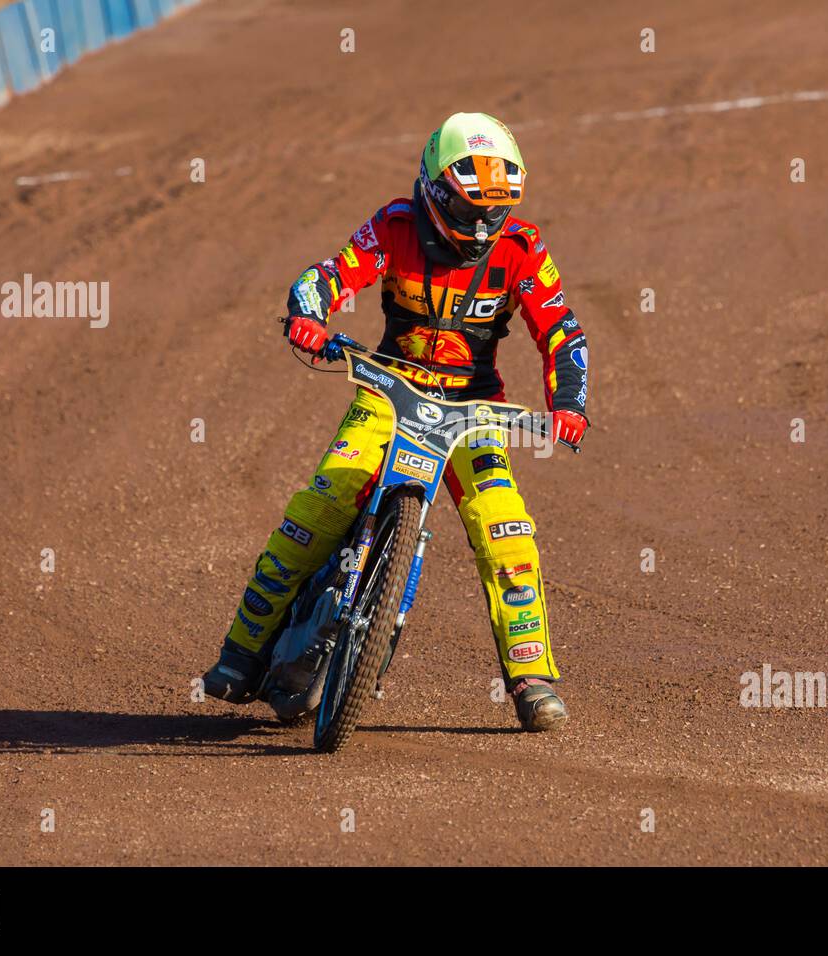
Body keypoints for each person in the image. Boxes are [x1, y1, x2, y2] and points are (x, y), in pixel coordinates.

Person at [201, 112, 589, 732]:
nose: (484, 225)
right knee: (320, 506)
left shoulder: (523, 248)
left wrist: (569, 404)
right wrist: (309, 316)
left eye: (496, 210)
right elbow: (327, 277)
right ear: (436, 193)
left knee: (506, 529)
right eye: (470, 210)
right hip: (387, 391)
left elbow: (563, 333)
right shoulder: (395, 226)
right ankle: (241, 653)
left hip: (473, 409)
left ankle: (532, 677)